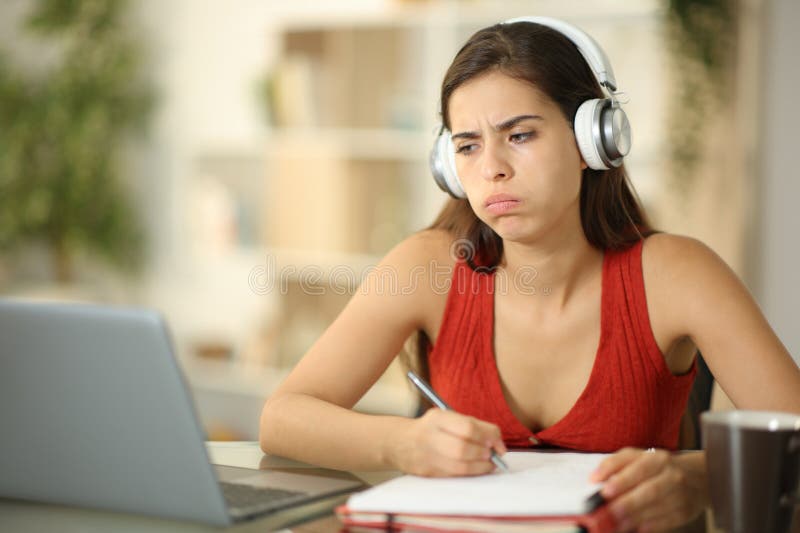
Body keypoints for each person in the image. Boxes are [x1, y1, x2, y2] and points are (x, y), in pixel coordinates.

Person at [260, 17, 800, 532]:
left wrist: (697, 477)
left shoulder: (679, 274)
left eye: (520, 135)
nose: (492, 167)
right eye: (467, 145)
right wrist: (400, 443)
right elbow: (282, 419)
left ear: (593, 140)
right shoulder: (427, 267)